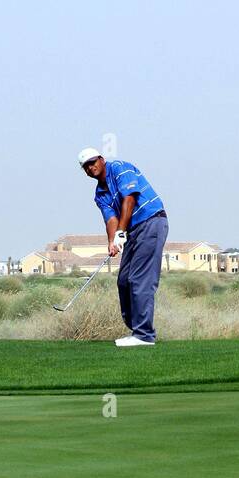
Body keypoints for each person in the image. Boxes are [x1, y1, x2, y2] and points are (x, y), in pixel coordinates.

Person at [77, 147, 168, 347]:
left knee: (139, 279)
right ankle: (136, 329)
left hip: (151, 222)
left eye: (93, 162)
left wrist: (121, 232)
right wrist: (113, 241)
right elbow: (111, 219)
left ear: (101, 159)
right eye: (86, 166)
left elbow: (129, 199)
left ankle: (144, 335)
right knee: (124, 281)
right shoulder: (99, 194)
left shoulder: (119, 168)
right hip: (133, 230)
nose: (91, 167)